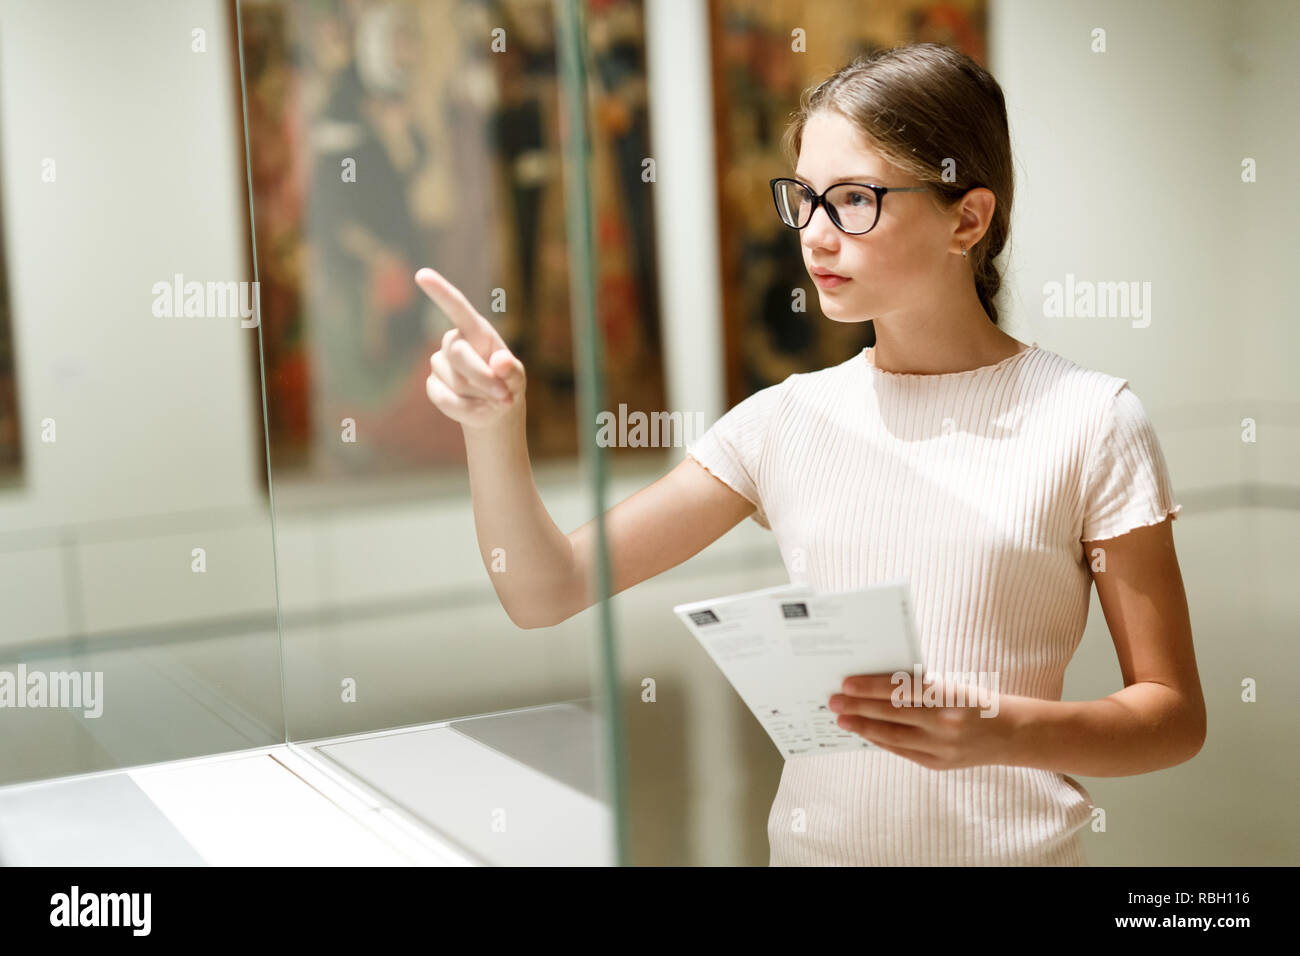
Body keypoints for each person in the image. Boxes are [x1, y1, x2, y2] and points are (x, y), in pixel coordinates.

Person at [415, 42, 1204, 867]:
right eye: (806, 200)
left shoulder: (1089, 419)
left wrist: (999, 729)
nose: (816, 237)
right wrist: (493, 428)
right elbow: (546, 590)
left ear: (966, 219)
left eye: (855, 200)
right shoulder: (785, 421)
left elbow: (1173, 717)